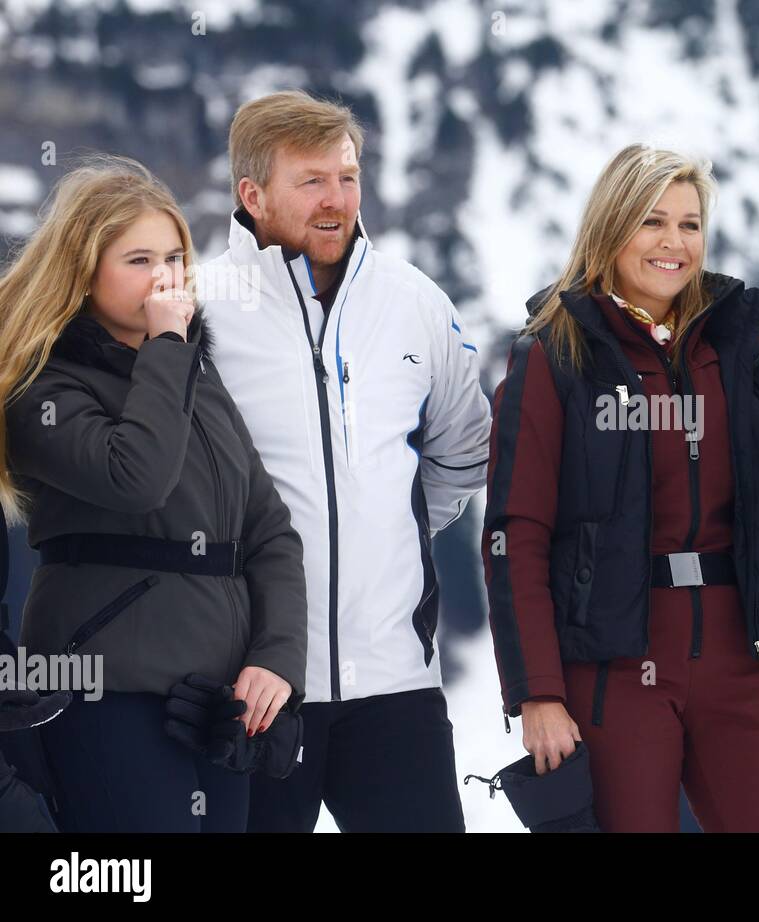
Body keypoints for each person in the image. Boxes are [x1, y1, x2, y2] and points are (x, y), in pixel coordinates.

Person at [482, 144, 759, 832]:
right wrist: (536, 693)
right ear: (611, 229)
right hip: (614, 666)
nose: (674, 243)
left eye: (691, 225)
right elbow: (516, 534)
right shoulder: (554, 354)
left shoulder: (737, 347)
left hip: (741, 656)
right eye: (652, 222)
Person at [198, 91, 493, 832]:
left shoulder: (414, 302)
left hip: (397, 682)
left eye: (348, 177)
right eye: (313, 181)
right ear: (252, 193)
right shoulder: (200, 308)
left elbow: (463, 445)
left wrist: (394, 529)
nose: (338, 200)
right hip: (253, 684)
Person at [0, 156, 308, 832]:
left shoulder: (194, 373)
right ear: (83, 271)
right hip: (102, 696)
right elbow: (134, 476)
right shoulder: (44, 388)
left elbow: (269, 531)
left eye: (175, 256)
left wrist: (276, 660)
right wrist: (168, 344)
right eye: (139, 260)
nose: (166, 277)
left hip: (212, 705)